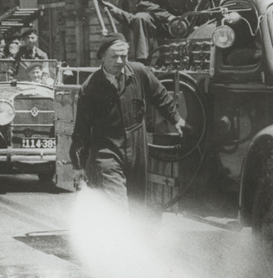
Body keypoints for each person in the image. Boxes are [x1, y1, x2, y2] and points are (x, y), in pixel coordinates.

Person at [70, 33, 187, 209]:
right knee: (117, 202)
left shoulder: (139, 72)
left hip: (137, 150)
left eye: (123, 56)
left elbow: (160, 94)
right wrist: (78, 165)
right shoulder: (90, 87)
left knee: (137, 203)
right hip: (107, 151)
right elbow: (82, 129)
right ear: (102, 56)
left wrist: (176, 118)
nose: (119, 61)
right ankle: (119, 235)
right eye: (114, 56)